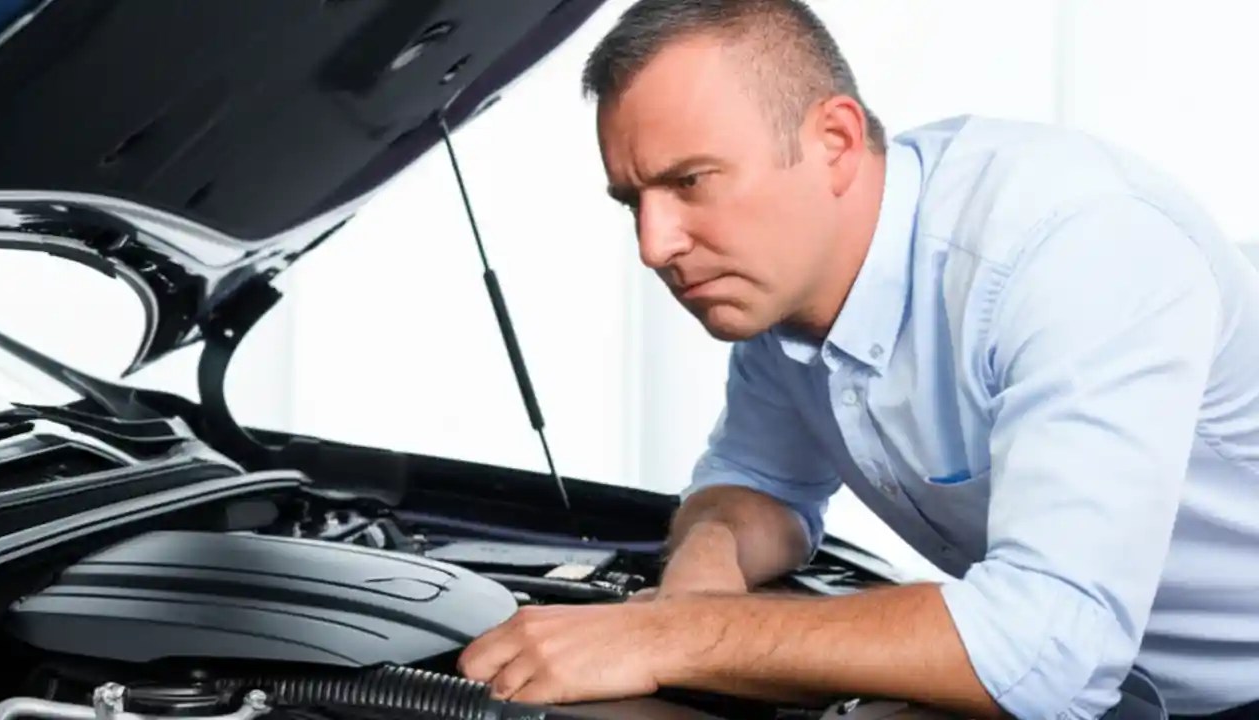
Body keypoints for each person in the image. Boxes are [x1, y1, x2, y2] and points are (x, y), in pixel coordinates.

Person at [457, 0, 1259, 717]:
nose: (654, 244)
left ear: (835, 141)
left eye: (691, 182)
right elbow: (758, 484)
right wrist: (703, 564)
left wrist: (682, 635)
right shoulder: (790, 289)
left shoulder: (1074, 249)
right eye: (635, 200)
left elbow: (1049, 649)